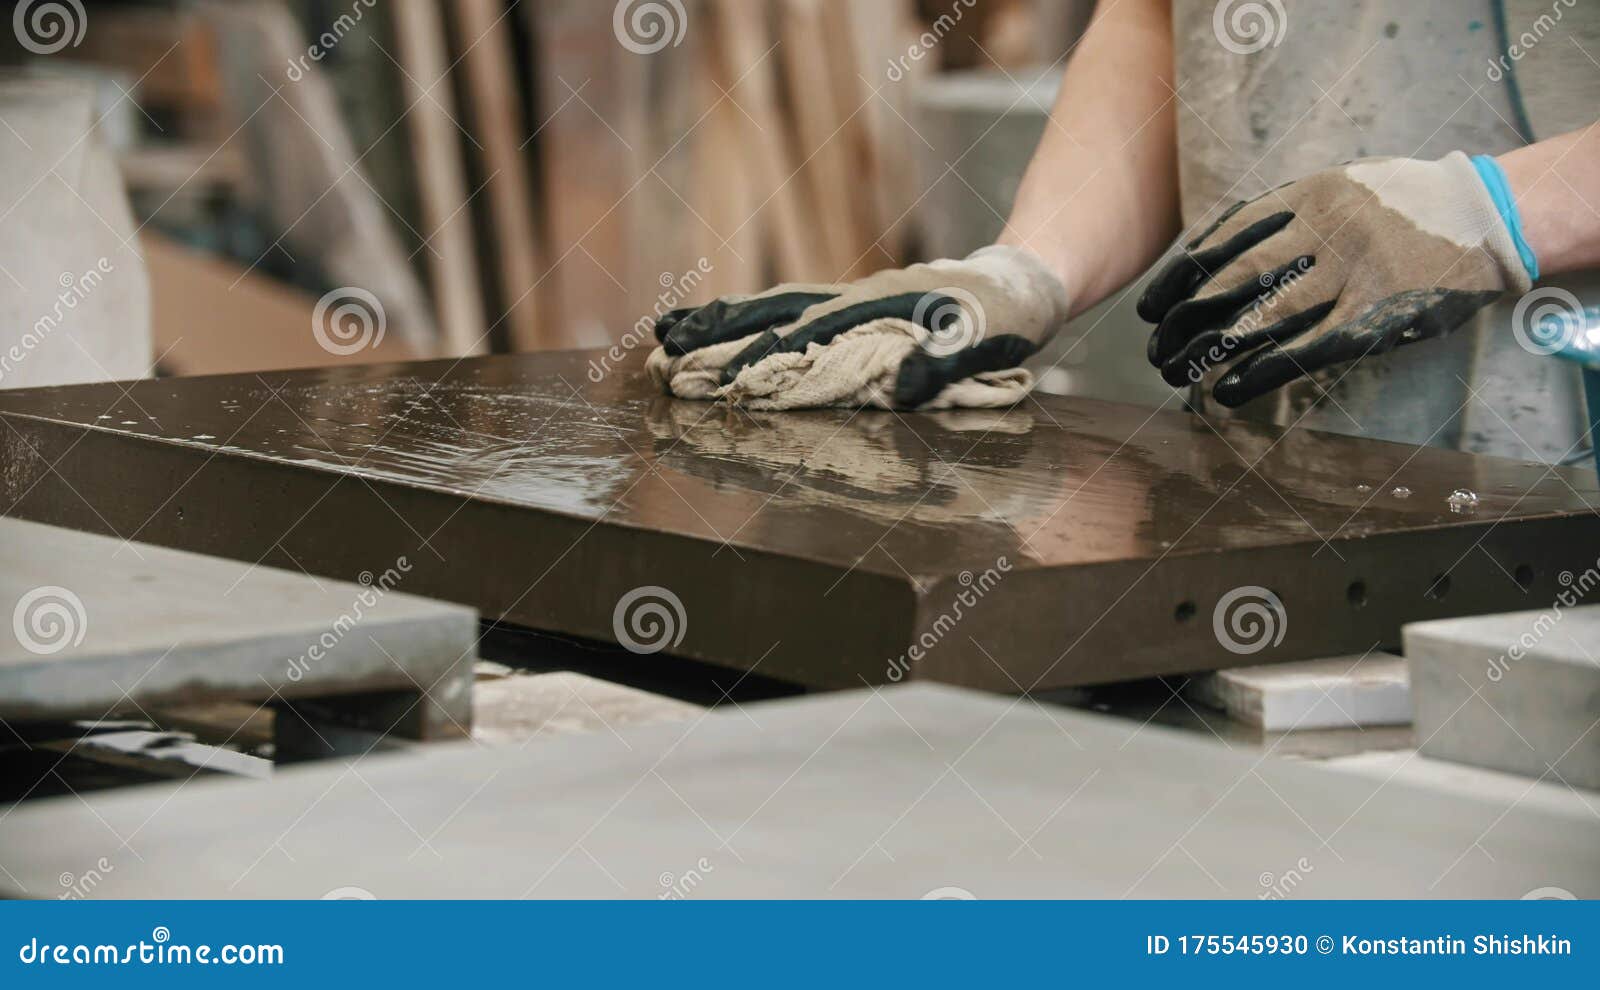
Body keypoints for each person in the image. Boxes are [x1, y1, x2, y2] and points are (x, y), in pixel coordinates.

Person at [647, 0, 1600, 463]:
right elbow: (1161, 26)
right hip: (1282, 447)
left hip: (1550, 444)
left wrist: (1499, 212)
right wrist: (1025, 272)